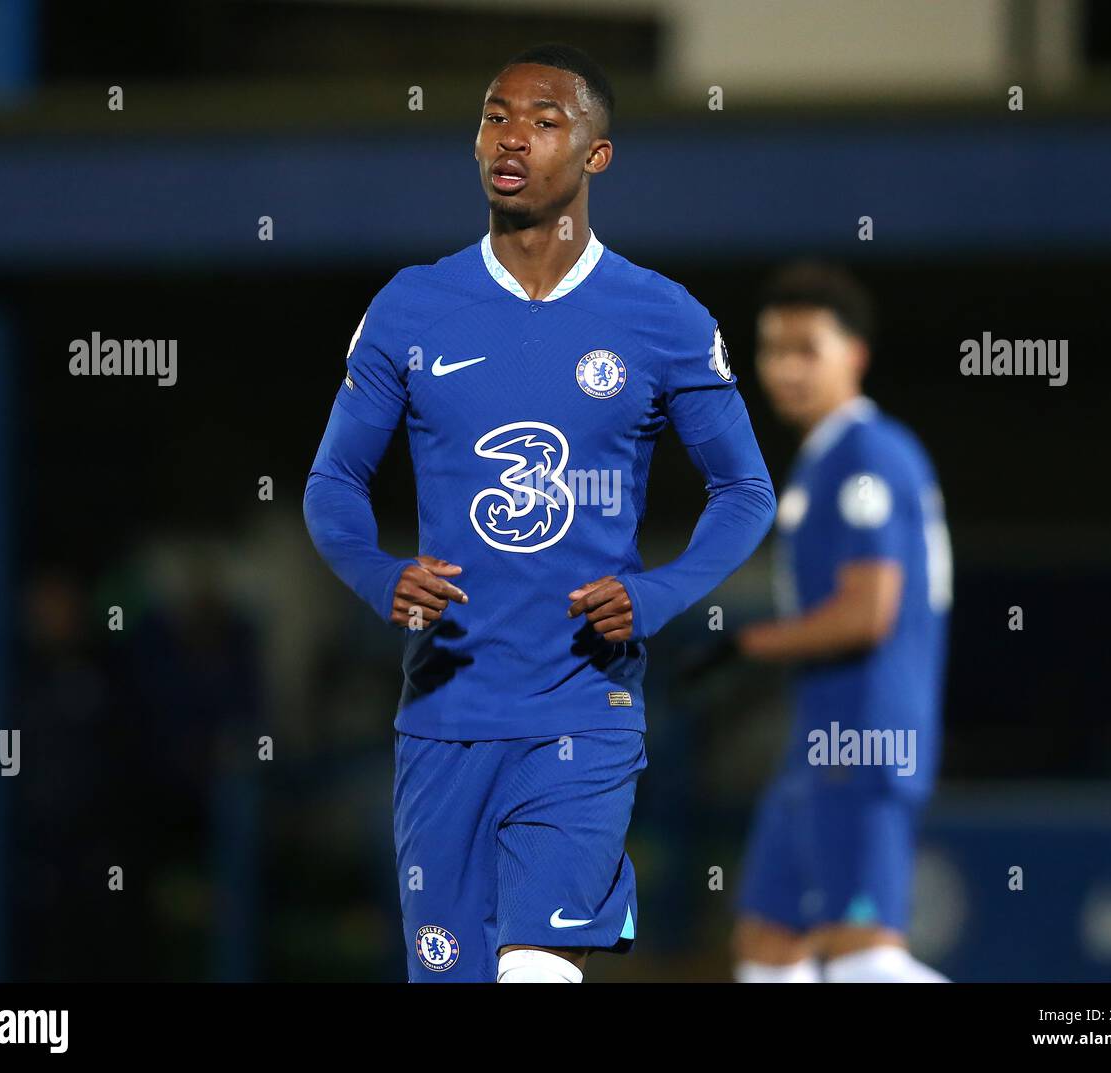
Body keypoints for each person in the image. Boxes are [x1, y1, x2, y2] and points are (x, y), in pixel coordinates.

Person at [303, 43, 776, 983]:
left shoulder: (663, 317)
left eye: (544, 120)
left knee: (537, 966)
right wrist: (380, 573)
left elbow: (745, 490)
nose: (510, 136)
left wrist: (657, 594)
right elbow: (331, 485)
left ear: (596, 155)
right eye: (494, 116)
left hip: (584, 709)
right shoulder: (412, 306)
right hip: (444, 713)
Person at [732, 262, 952, 983]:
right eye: (772, 350)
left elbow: (868, 610)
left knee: (864, 961)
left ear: (853, 353)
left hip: (865, 731)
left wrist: (744, 645)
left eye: (807, 349)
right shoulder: (826, 459)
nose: (785, 369)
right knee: (768, 951)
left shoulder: (865, 453)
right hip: (818, 741)